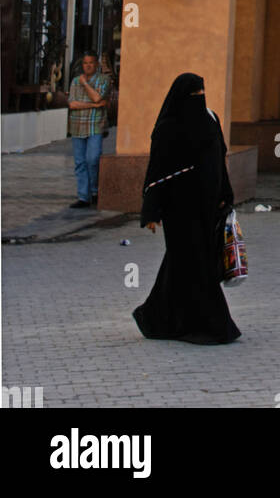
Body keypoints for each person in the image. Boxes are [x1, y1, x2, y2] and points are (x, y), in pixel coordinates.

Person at [133, 72, 240, 345]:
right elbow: (157, 171)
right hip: (178, 210)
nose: (198, 98)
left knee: (182, 263)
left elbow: (219, 158)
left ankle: (157, 317)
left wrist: (225, 196)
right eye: (193, 94)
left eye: (201, 92)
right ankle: (212, 325)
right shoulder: (169, 127)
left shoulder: (211, 119)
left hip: (208, 208)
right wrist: (151, 213)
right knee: (195, 263)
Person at [67, 51, 112, 207]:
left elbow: (97, 97)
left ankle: (94, 191)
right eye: (85, 63)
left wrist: (85, 84)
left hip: (95, 125)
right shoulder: (74, 81)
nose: (87, 66)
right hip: (77, 126)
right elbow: (72, 104)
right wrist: (93, 106)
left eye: (91, 63)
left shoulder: (104, 80)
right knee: (80, 162)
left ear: (96, 64)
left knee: (92, 159)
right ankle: (83, 197)